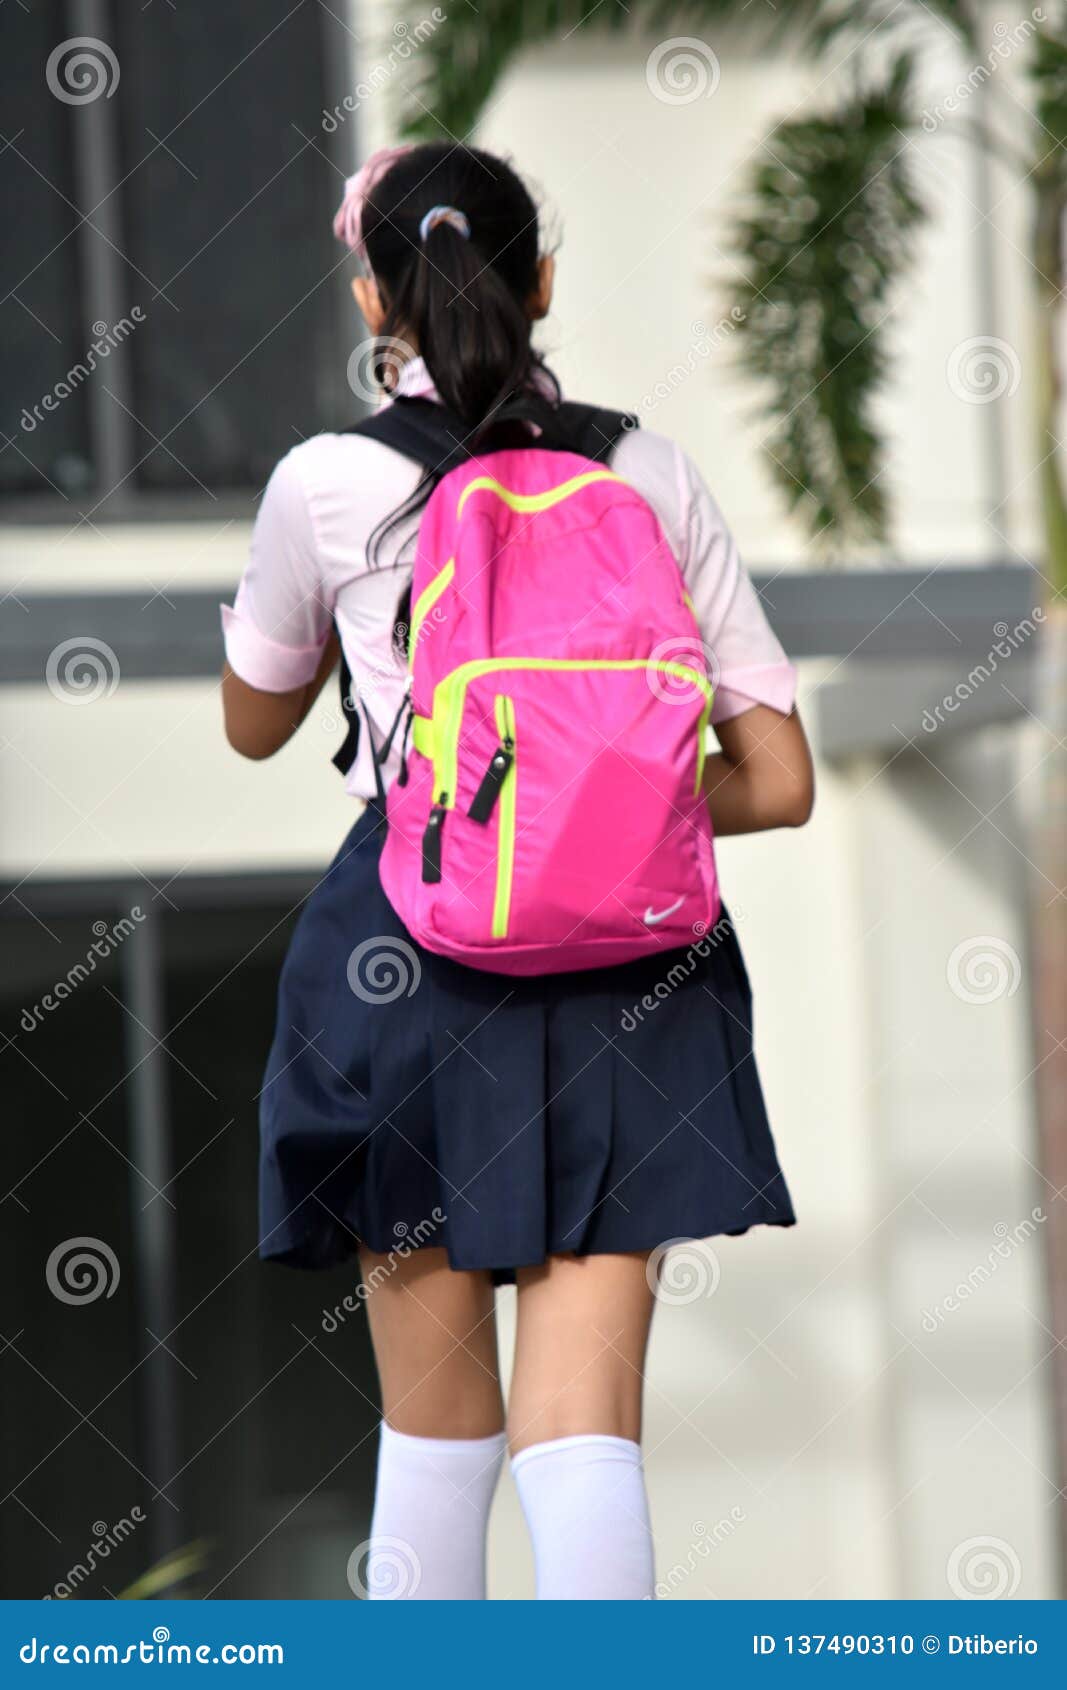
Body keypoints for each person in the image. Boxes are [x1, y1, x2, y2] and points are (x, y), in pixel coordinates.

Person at [221, 140, 814, 1601]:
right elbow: (782, 780)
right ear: (542, 279)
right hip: (637, 982)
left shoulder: (327, 484)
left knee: (435, 1441)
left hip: (403, 964)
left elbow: (250, 724)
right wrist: (603, 817)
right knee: (584, 1438)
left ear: (377, 301)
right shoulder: (647, 469)